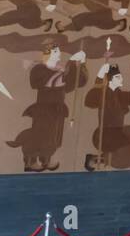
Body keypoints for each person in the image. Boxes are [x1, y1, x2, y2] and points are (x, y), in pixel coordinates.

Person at [6, 42, 87, 171]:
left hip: (57, 109)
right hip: (44, 108)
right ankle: (30, 160)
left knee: (53, 137)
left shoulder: (60, 70)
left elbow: (77, 82)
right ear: (47, 55)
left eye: (59, 54)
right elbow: (50, 81)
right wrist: (70, 64)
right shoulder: (40, 69)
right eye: (56, 53)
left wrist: (80, 65)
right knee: (40, 135)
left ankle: (46, 159)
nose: (59, 57)